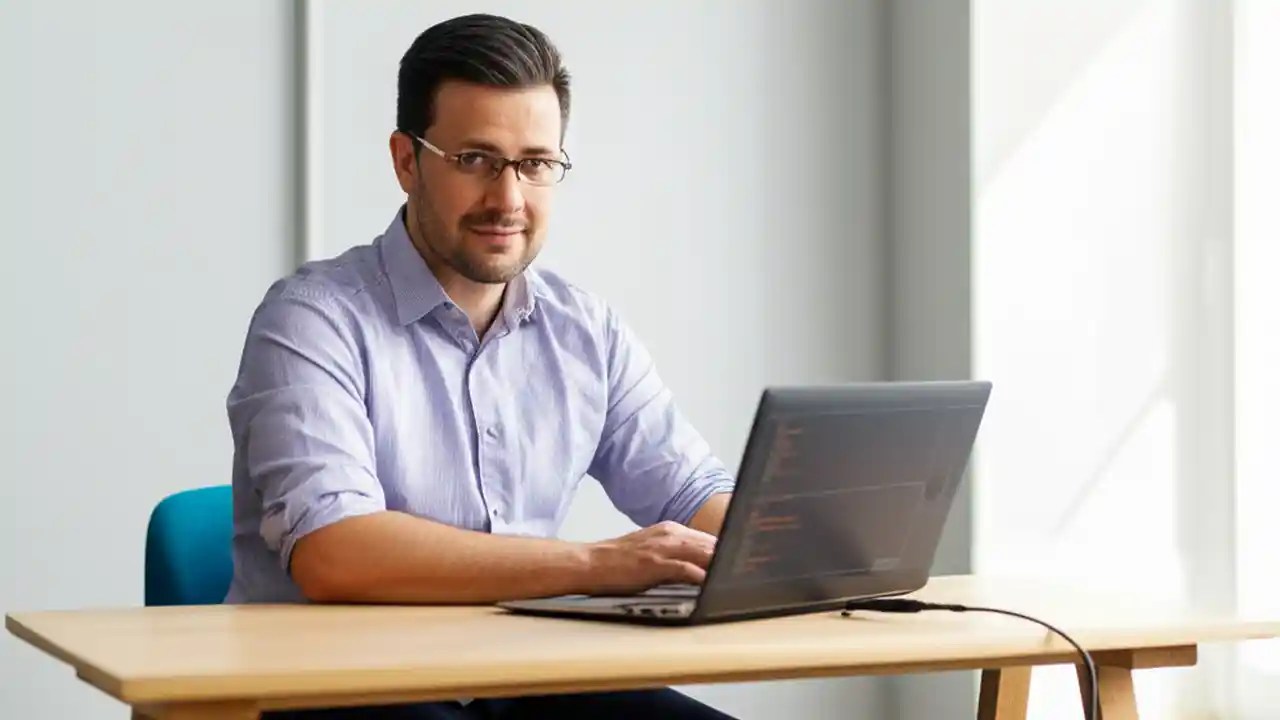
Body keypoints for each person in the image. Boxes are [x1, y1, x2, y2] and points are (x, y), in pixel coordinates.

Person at [224, 12, 738, 720]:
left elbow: (692, 493)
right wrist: (599, 566)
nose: (509, 200)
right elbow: (335, 551)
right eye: (475, 160)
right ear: (407, 161)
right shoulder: (312, 320)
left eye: (535, 164)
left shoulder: (585, 330)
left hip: (524, 680)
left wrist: (799, 543)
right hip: (344, 691)